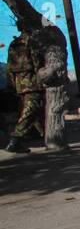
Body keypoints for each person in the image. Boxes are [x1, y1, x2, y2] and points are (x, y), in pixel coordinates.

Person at [4, 18, 42, 154]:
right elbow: (38, 63)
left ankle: (37, 134)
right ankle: (16, 139)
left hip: (19, 82)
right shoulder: (32, 42)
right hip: (32, 81)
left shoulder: (14, 43)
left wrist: (11, 84)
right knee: (31, 109)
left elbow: (9, 67)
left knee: (29, 109)